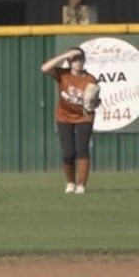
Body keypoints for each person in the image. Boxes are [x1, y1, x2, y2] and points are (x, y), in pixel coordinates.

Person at [41, 46, 99, 195]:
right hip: (64, 116)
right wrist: (65, 54)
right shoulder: (63, 75)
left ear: (84, 61)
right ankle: (70, 183)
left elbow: (93, 100)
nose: (78, 62)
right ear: (69, 62)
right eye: (74, 60)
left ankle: (81, 185)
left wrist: (93, 103)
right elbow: (44, 68)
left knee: (82, 150)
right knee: (68, 153)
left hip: (84, 117)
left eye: (80, 59)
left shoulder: (89, 78)